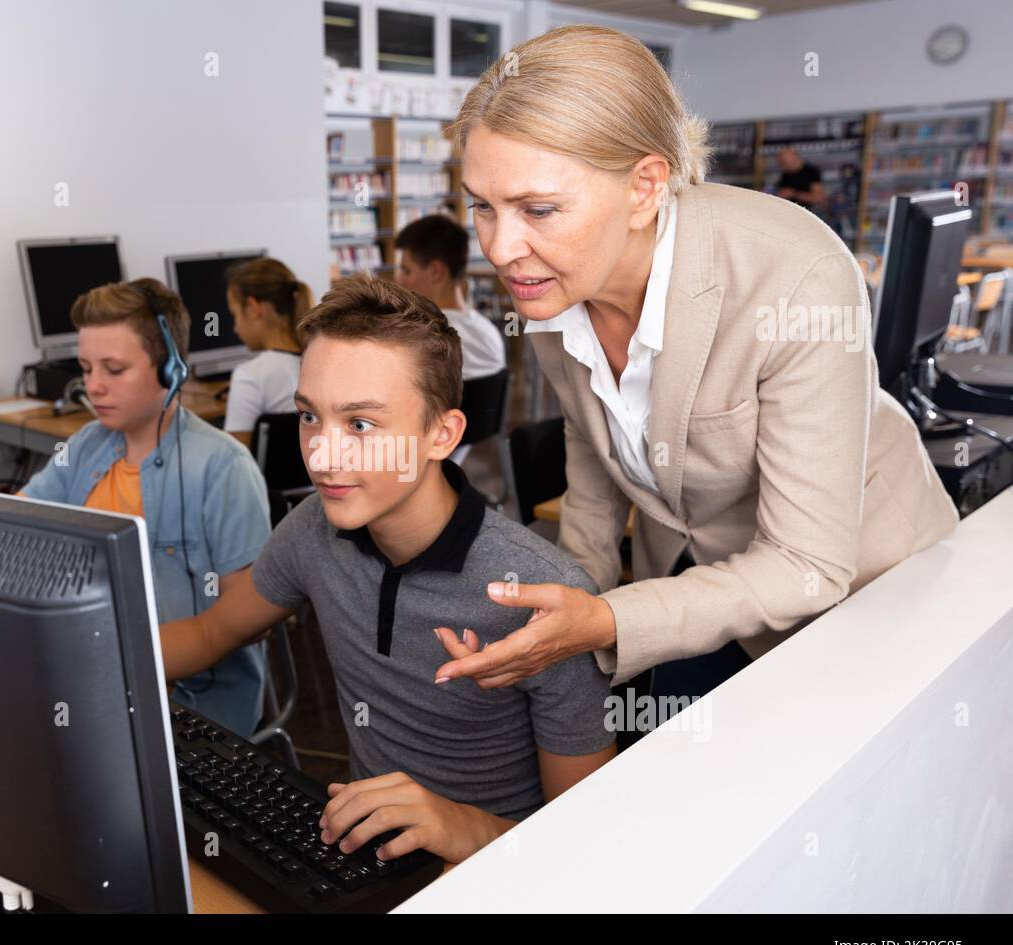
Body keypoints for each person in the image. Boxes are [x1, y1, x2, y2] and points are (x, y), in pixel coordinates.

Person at [431, 25, 958, 748]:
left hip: (859, 597)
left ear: (645, 185)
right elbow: (594, 465)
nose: (498, 247)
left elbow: (808, 563)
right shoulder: (554, 286)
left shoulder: (796, 273)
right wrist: (560, 612)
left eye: (538, 209)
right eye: (483, 207)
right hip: (685, 586)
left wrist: (610, 622)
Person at [160, 274, 615, 864]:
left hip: (499, 881)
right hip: (366, 863)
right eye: (309, 417)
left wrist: (460, 827)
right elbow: (208, 633)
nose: (323, 455)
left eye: (361, 425)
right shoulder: (313, 529)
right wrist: (80, 662)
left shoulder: (545, 598)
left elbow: (587, 852)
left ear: (441, 434)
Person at [19, 277, 271, 736]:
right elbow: (18, 525)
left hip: (190, 708)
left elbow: (248, 621)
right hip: (87, 680)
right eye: (85, 367)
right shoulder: (86, 445)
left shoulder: (222, 467)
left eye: (113, 370)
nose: (92, 386)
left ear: (170, 370)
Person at [395, 212, 507, 380]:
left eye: (407, 271)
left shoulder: (422, 339)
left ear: (436, 271)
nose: (399, 280)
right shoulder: (490, 333)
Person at [223, 258, 313, 448]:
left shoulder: (249, 376)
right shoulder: (321, 364)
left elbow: (234, 463)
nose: (235, 328)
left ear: (254, 309)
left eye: (235, 315)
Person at [776, 146, 826, 212]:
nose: (783, 165)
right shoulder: (785, 176)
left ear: (794, 158)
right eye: (782, 163)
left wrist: (793, 194)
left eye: (785, 162)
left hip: (810, 212)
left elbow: (819, 198)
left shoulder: (811, 172)